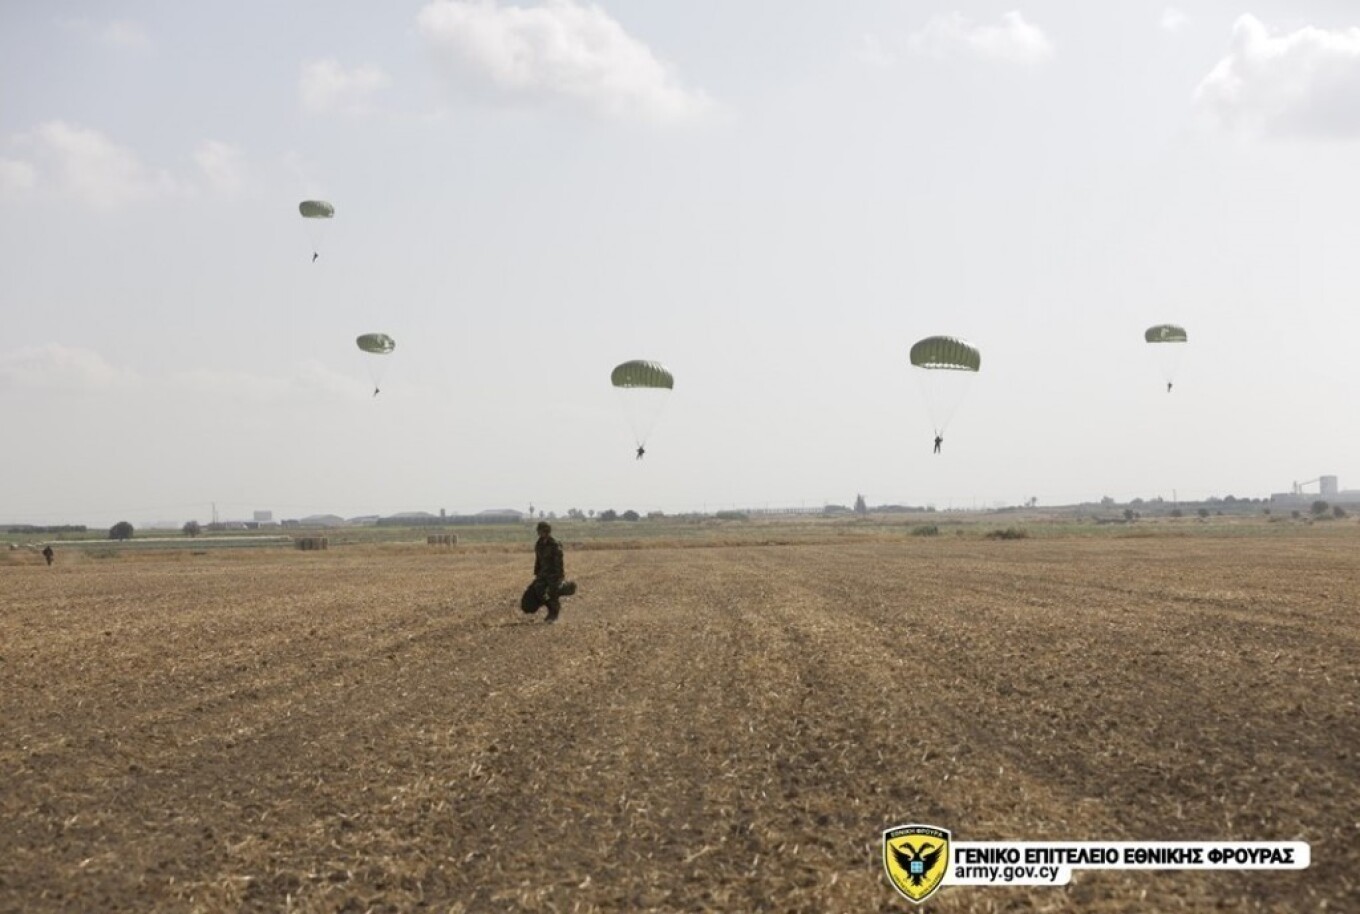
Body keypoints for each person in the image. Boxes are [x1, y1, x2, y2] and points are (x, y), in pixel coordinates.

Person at [529, 520, 565, 623]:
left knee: (553, 593)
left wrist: (560, 576)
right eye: (538, 530)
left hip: (553, 574)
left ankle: (554, 614)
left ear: (546, 531)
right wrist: (537, 572)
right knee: (539, 591)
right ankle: (551, 609)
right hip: (542, 573)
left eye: (540, 530)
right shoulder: (539, 544)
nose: (538, 532)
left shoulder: (554, 544)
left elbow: (559, 562)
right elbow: (538, 560)